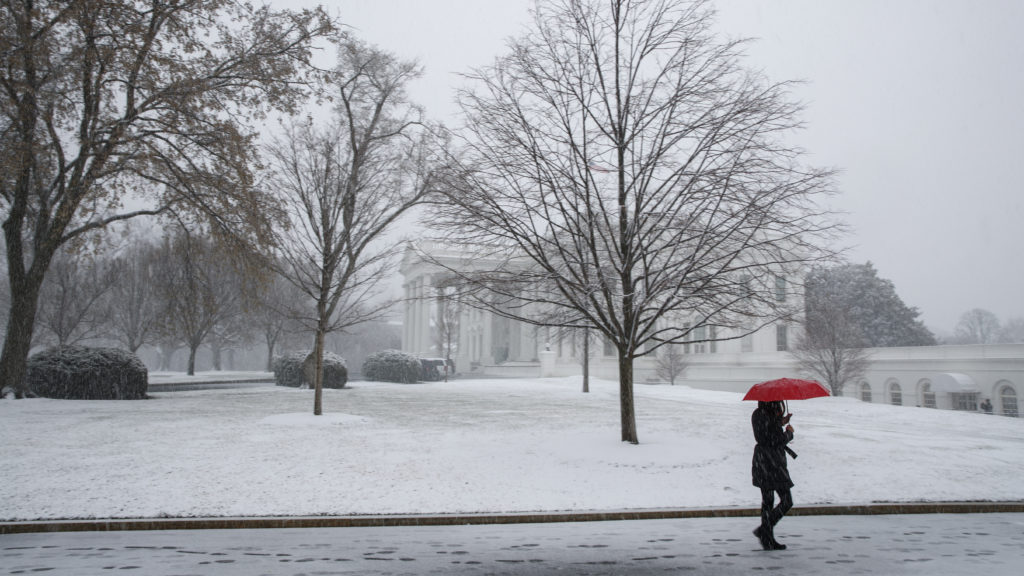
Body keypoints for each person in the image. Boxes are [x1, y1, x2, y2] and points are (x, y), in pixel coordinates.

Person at [751, 400, 795, 550]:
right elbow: (774, 439)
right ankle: (765, 531)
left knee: (767, 502)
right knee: (786, 501)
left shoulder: (758, 414)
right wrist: (789, 433)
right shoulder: (767, 415)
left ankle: (767, 537)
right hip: (773, 463)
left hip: (762, 461)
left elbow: (766, 433)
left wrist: (781, 422)